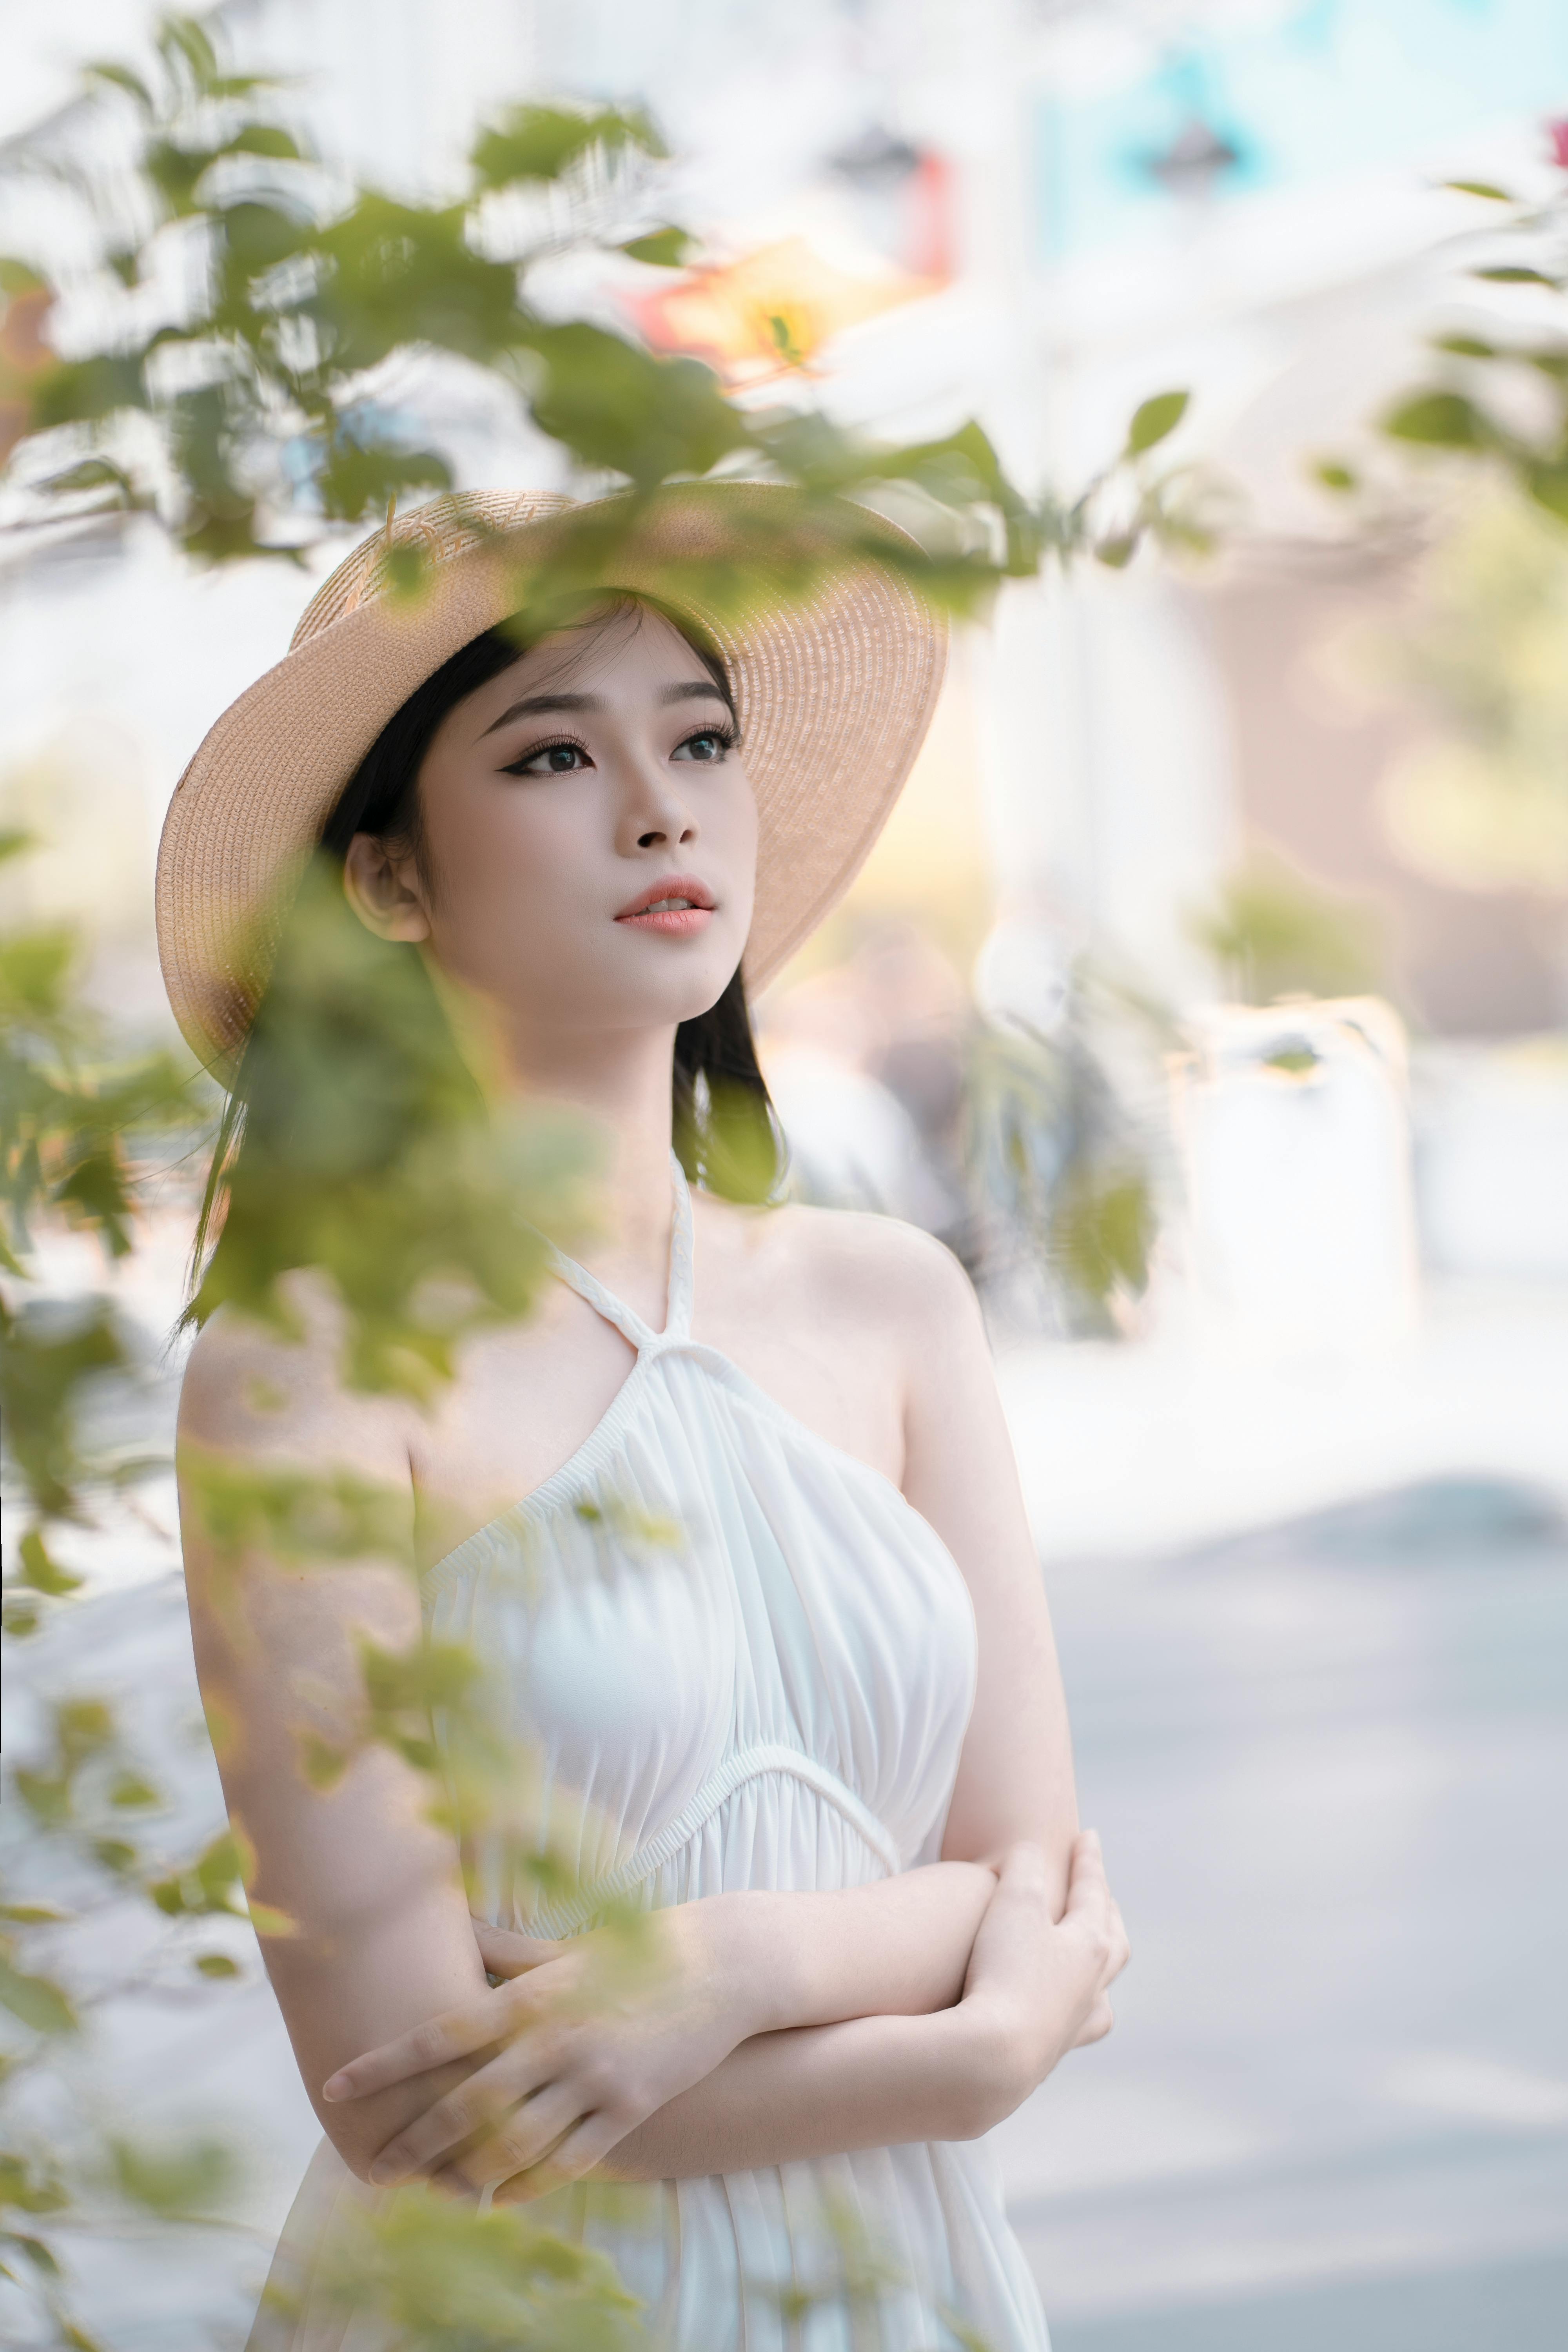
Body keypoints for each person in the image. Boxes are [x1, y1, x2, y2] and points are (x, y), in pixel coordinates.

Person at [160, 485, 1129, 2351]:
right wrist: (964, 2052)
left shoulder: (891, 1301)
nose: (661, 807)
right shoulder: (308, 1375)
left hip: (915, 2298)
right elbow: (416, 2102)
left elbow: (1040, 1876)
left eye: (698, 741)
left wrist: (726, 1961)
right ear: (389, 880)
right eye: (552, 755)